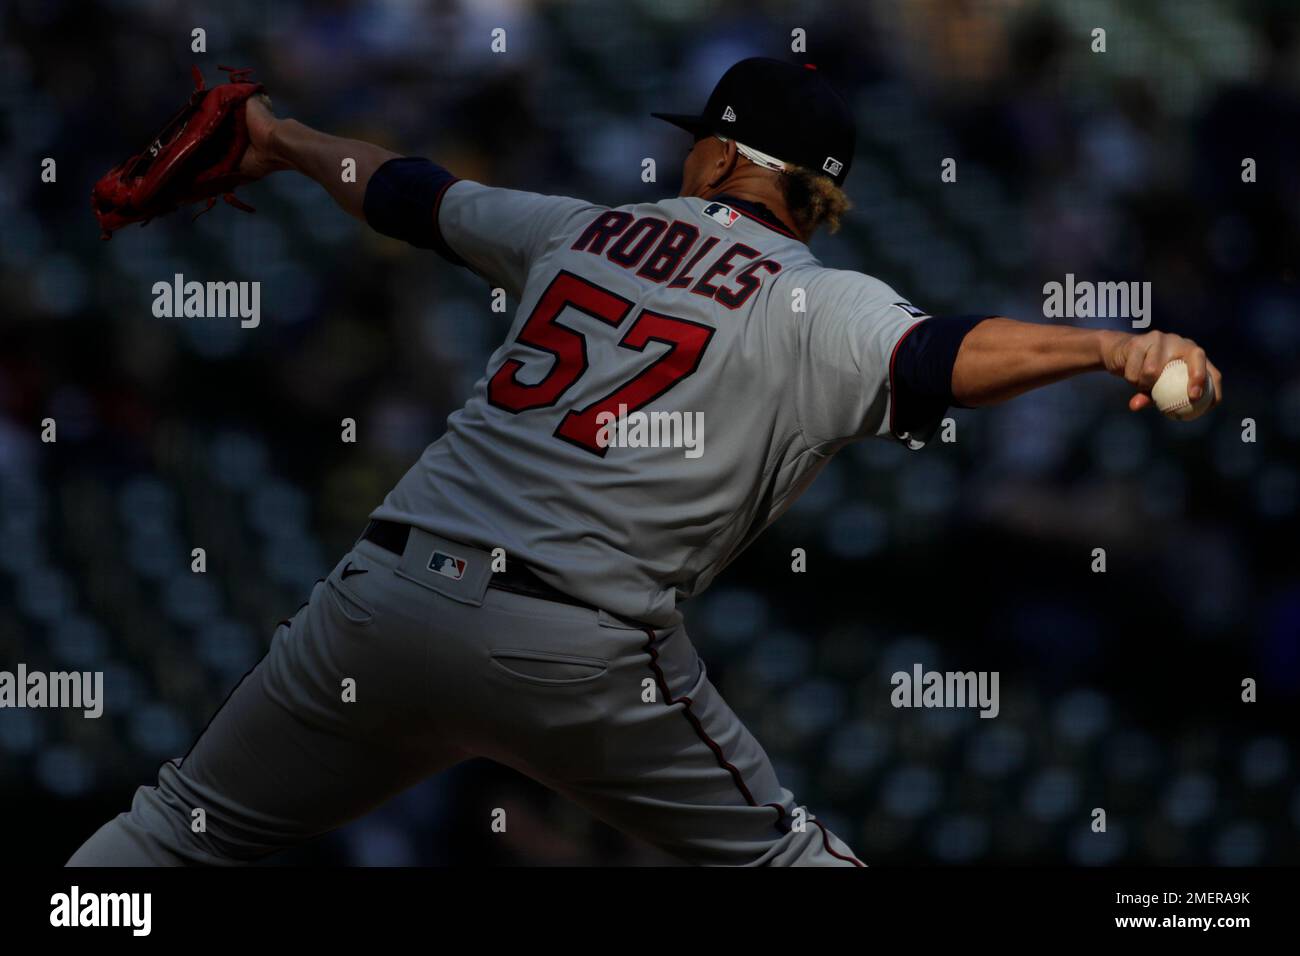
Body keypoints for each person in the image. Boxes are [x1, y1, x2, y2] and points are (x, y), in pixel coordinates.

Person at [68, 57, 1221, 867]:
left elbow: (406, 191)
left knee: (177, 826)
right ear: (817, 197)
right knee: (779, 854)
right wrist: (1107, 342)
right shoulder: (818, 299)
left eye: (697, 140)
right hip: (574, 645)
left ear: (722, 154)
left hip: (388, 592)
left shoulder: (571, 225)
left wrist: (279, 138)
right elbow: (938, 356)